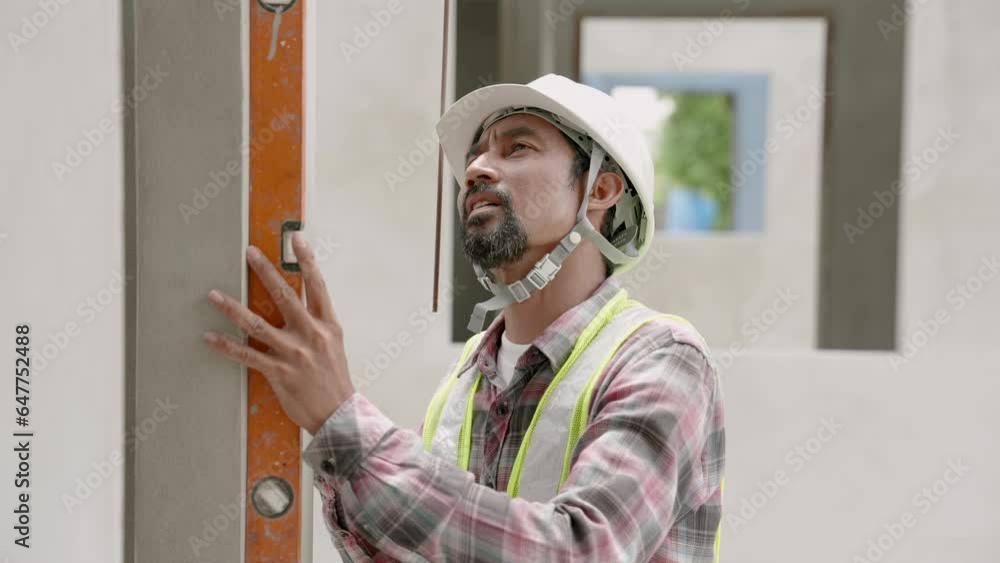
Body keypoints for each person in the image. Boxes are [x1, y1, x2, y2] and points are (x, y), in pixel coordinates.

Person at [203, 73, 725, 562]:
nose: (476, 168)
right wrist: (331, 432)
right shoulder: (467, 382)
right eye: (475, 155)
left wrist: (344, 424)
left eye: (517, 147)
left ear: (602, 190)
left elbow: (579, 550)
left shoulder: (661, 360)